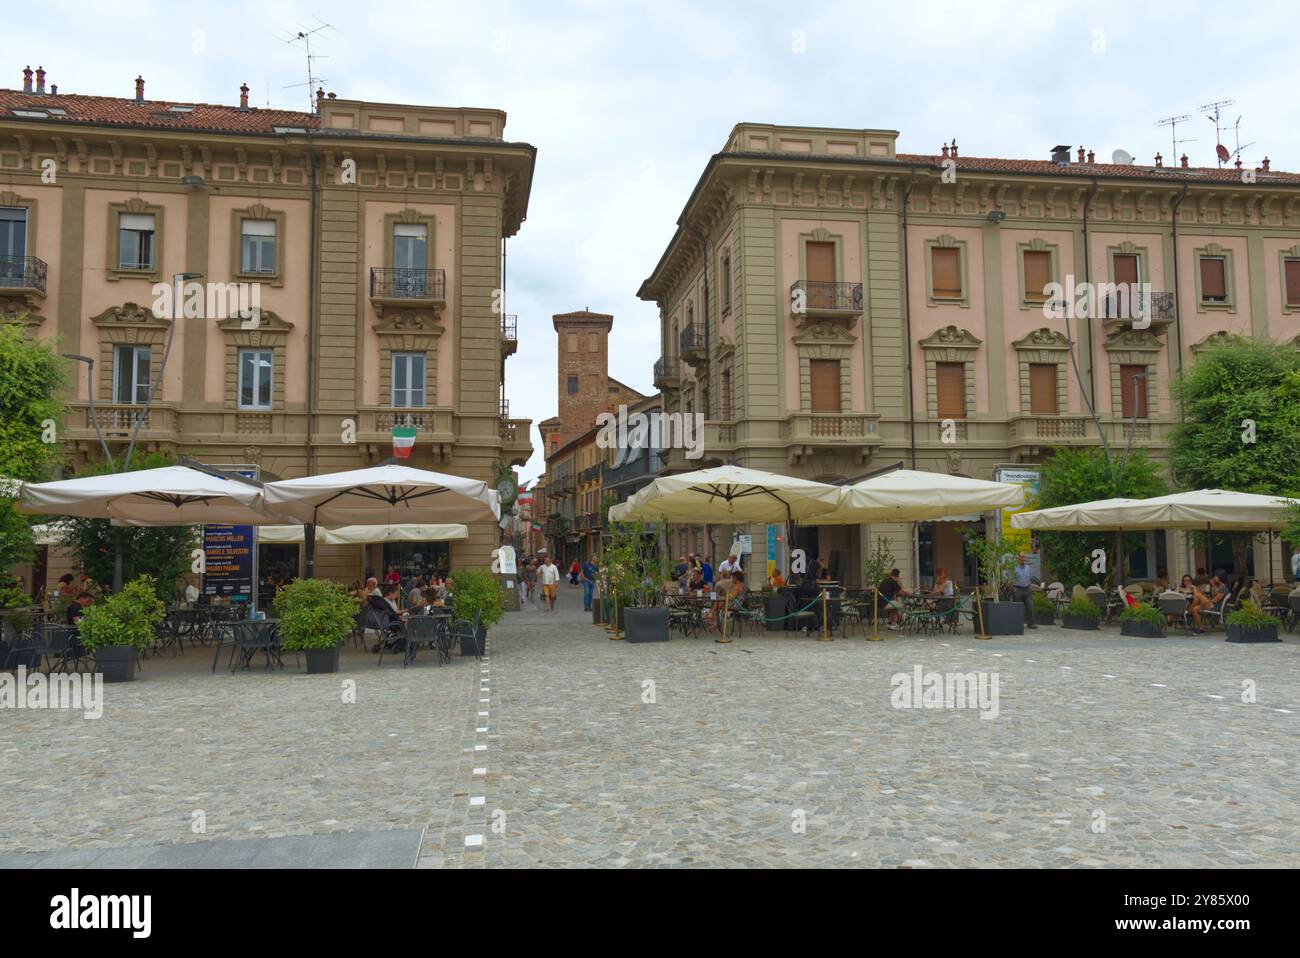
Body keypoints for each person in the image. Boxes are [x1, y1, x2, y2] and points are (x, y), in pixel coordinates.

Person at [1012, 554, 1038, 630]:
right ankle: (1018, 624)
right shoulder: (1014, 568)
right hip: (1017, 589)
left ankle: (1031, 623)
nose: (1023, 560)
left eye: (1024, 558)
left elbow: (1029, 579)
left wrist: (1030, 587)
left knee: (1030, 606)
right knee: (1019, 608)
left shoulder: (1028, 568)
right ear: (1018, 559)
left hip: (1027, 590)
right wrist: (1013, 589)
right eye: (1021, 558)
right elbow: (1011, 579)